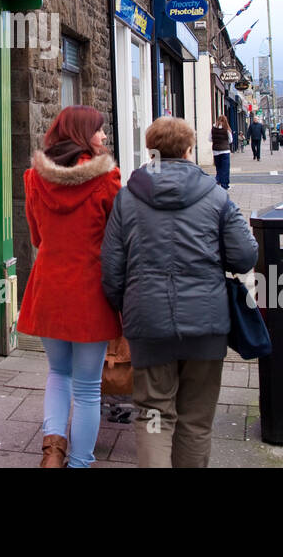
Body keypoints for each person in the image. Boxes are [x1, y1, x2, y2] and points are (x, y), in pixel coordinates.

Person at [102, 116, 259, 468]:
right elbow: (246, 255)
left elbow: (111, 271)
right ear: (189, 150)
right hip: (207, 326)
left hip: (149, 325)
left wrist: (127, 309)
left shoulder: (127, 199)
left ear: (150, 151)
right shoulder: (216, 196)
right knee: (195, 420)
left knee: (154, 415)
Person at [18, 106, 122, 468]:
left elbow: (35, 236)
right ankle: (79, 462)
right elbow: (116, 241)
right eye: (99, 131)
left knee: (57, 374)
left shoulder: (34, 178)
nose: (105, 137)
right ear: (81, 135)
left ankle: (52, 455)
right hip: (90, 294)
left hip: (49, 288)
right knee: (88, 388)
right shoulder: (107, 180)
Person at [211, 114, 232, 188]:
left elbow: (210, 139)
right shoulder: (226, 129)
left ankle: (218, 181)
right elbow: (230, 140)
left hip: (216, 151)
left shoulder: (213, 128)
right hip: (225, 151)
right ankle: (225, 185)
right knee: (225, 169)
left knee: (218, 168)